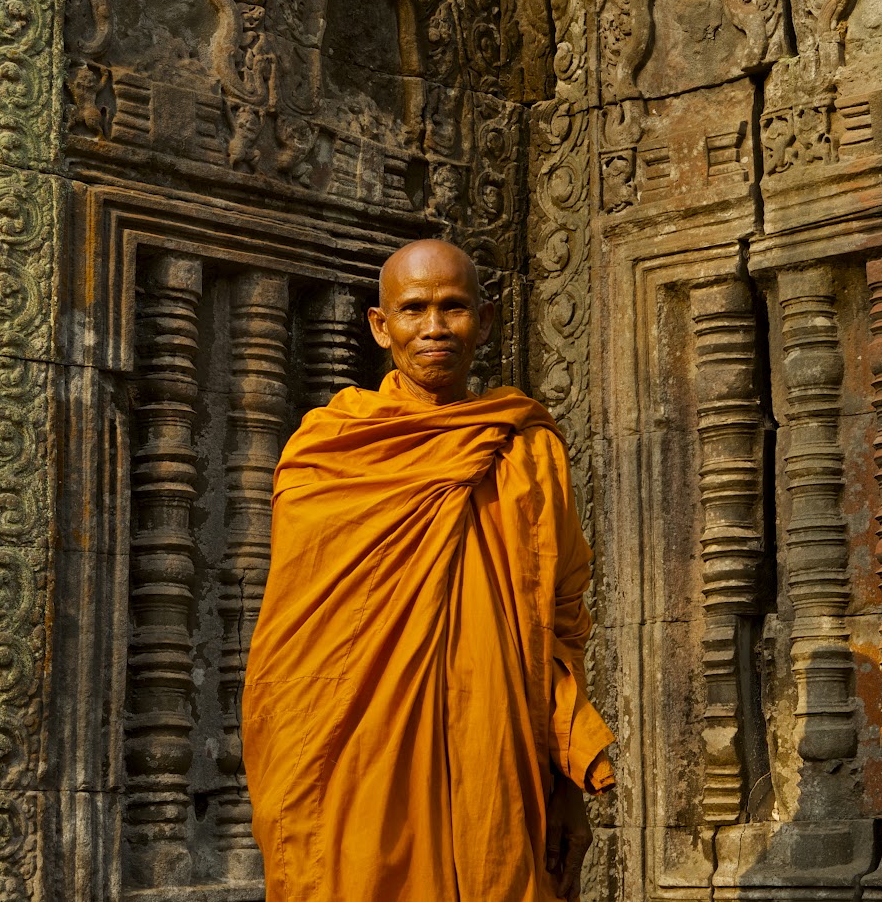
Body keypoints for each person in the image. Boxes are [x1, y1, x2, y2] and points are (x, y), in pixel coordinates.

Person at [243, 239, 615, 901]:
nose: (435, 327)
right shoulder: (330, 450)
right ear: (380, 326)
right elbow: (295, 647)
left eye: (454, 307)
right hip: (356, 749)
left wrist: (565, 785)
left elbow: (561, 623)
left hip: (494, 746)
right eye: (414, 309)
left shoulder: (524, 446)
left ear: (486, 319)